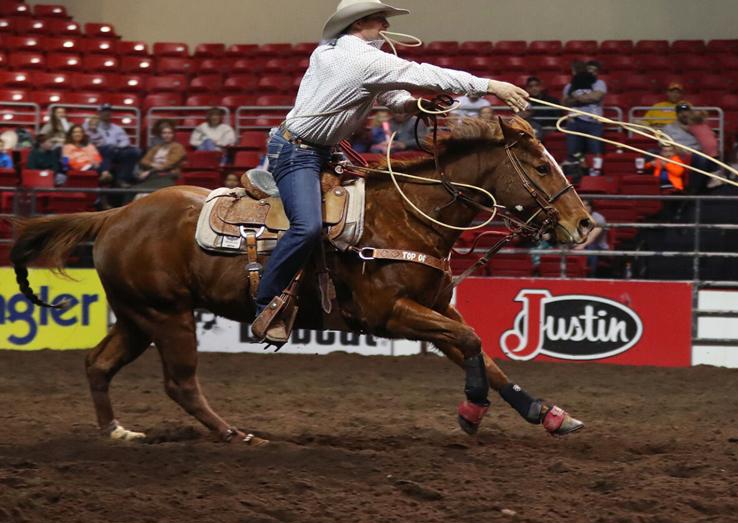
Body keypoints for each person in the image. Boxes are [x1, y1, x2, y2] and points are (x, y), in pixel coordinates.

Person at [248, 0, 529, 346]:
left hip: (321, 148)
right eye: (380, 19)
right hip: (298, 152)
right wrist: (489, 85)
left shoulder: (338, 52)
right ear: (359, 23)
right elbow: (424, 73)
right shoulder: (359, 58)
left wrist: (416, 105)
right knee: (307, 227)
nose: (386, 25)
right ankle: (266, 299)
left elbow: (395, 96)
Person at [563, 59, 606, 167]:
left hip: (593, 122)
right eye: (589, 70)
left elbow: (596, 97)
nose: (591, 72)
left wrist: (575, 97)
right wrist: (584, 98)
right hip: (574, 122)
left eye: (594, 70)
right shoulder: (571, 85)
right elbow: (564, 102)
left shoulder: (599, 83)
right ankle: (576, 174)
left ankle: (595, 173)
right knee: (573, 153)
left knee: (595, 151)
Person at [130, 117, 186, 191]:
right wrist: (154, 165)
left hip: (167, 176)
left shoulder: (178, 147)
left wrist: (150, 170)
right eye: (164, 133)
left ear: (173, 134)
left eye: (169, 133)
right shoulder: (156, 147)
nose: (167, 135)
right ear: (161, 135)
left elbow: (168, 165)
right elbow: (144, 161)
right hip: (152, 176)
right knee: (132, 190)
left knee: (137, 191)